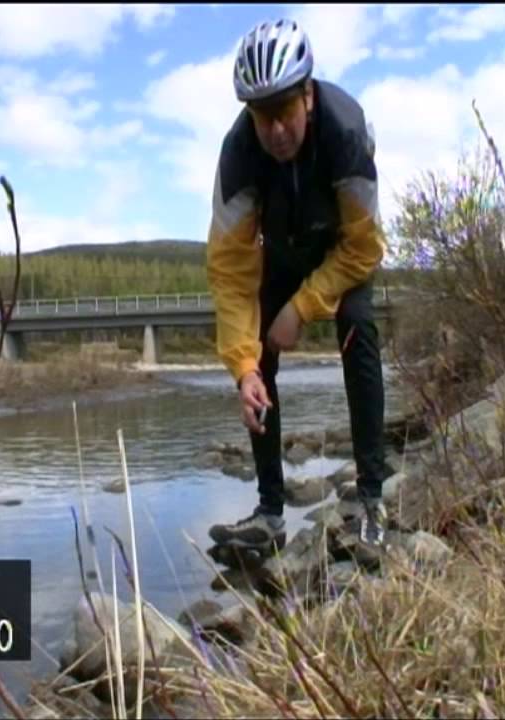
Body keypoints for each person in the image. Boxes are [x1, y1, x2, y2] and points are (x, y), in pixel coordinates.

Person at [205, 19, 391, 552]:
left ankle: (371, 499)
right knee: (258, 355)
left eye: (284, 112)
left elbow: (365, 247)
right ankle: (269, 513)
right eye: (263, 118)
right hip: (281, 253)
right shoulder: (238, 155)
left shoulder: (347, 134)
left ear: (307, 96)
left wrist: (303, 307)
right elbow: (232, 271)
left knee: (357, 326)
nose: (277, 131)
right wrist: (243, 367)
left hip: (341, 252)